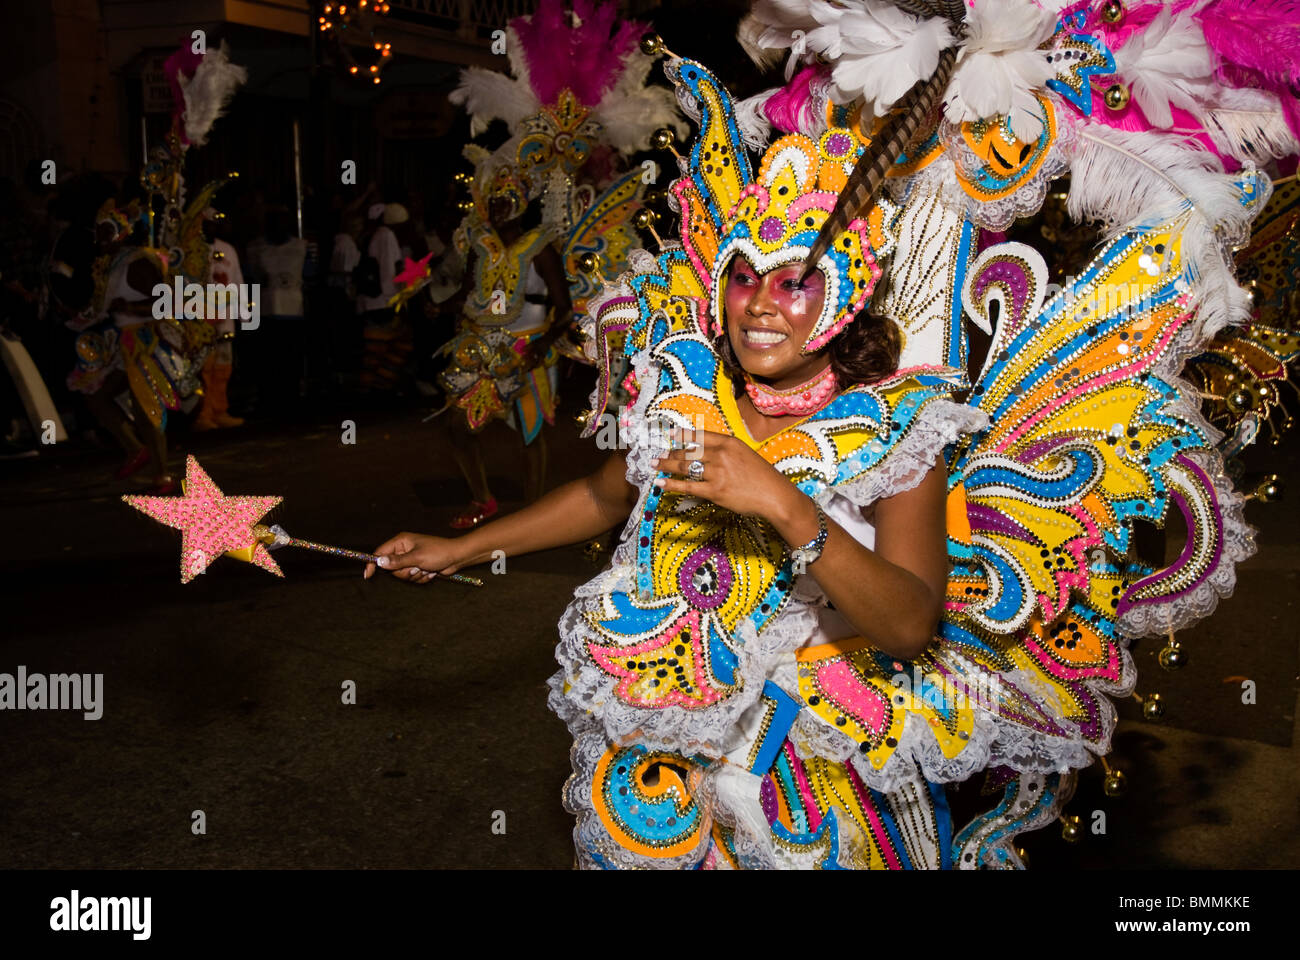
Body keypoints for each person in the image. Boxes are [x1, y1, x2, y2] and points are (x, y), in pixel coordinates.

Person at [367, 92, 979, 868]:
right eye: (743, 275)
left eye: (796, 282)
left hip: (814, 759)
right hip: (666, 745)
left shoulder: (897, 431)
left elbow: (909, 625)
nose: (759, 305)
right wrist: (461, 549)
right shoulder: (686, 388)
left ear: (849, 295)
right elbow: (603, 495)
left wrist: (786, 507)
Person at [437, 181, 573, 527]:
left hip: (527, 349)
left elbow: (565, 309)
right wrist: (436, 304)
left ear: (521, 205)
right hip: (481, 347)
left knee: (530, 431)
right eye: (492, 202)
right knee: (457, 426)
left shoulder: (541, 249)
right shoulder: (480, 247)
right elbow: (467, 294)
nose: (496, 209)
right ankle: (482, 499)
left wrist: (543, 344)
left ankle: (533, 512)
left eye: (504, 202)